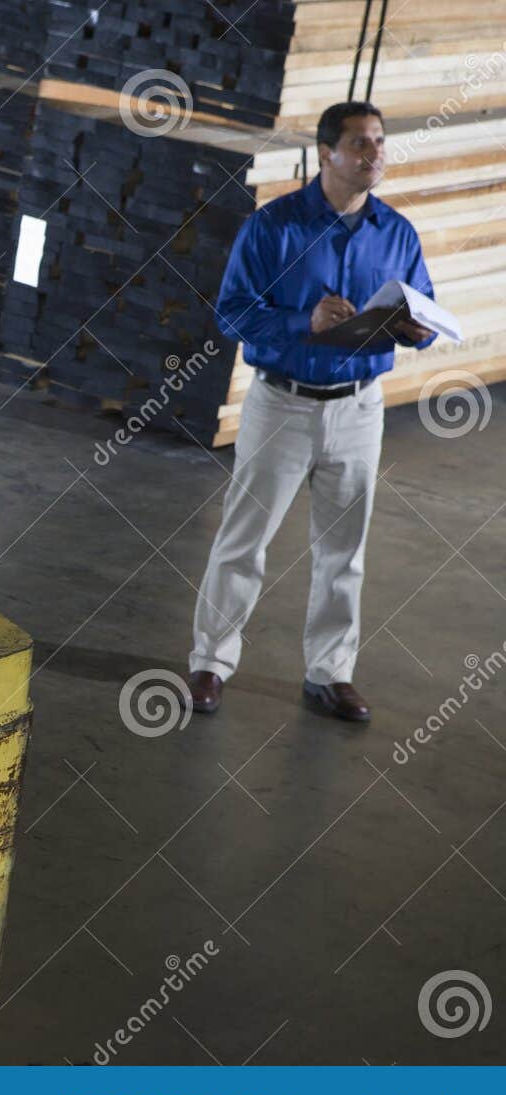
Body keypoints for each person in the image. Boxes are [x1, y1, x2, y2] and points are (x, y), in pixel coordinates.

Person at [187, 101, 436, 722]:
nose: (374, 154)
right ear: (327, 153)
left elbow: (426, 311)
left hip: (359, 410)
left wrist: (415, 329)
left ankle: (330, 674)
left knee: (343, 550)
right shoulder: (273, 228)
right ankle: (211, 663)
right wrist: (305, 320)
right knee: (244, 541)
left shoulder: (398, 235)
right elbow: (232, 313)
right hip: (283, 405)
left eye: (379, 142)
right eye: (360, 144)